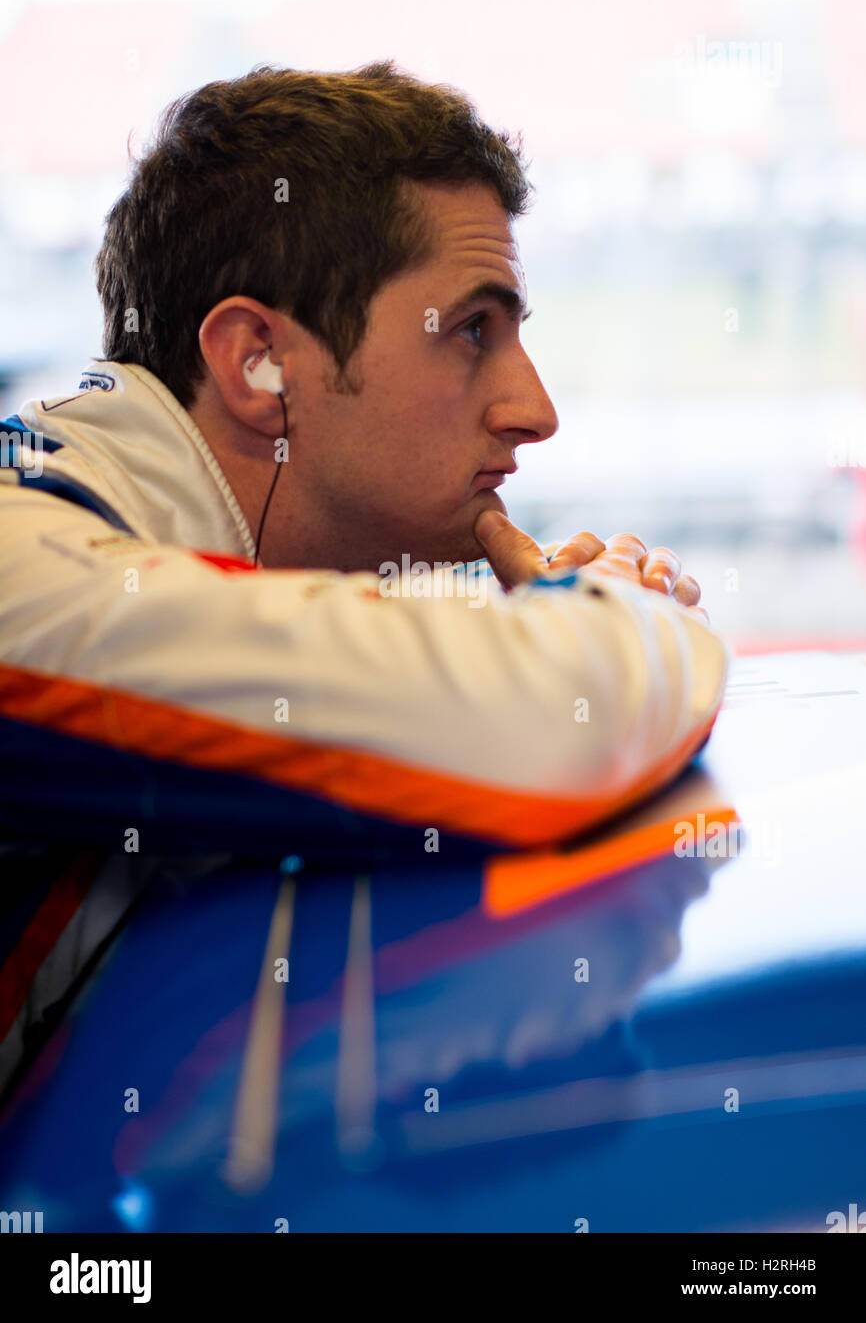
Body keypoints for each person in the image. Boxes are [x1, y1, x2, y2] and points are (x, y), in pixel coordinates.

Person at [0, 62, 726, 1098]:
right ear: (259, 364)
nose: (533, 408)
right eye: (473, 330)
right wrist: (620, 608)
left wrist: (540, 631)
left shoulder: (113, 534)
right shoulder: (20, 562)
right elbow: (545, 725)